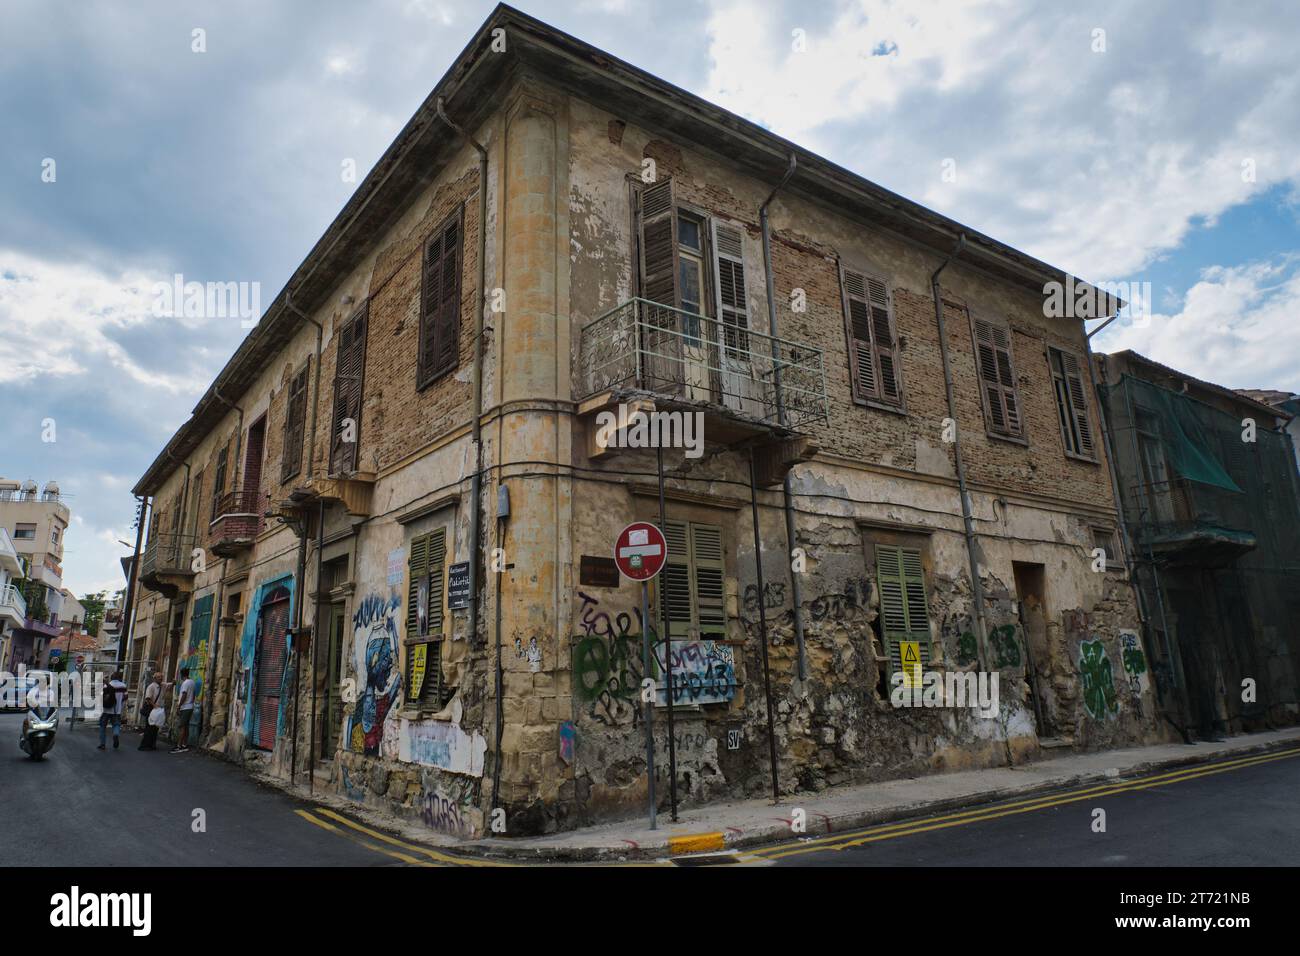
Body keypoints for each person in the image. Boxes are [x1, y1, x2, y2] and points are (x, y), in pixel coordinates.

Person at [97, 671, 128, 750]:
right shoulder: (123, 686)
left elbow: (101, 697)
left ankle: (102, 744)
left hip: (106, 710)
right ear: (119, 678)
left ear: (111, 678)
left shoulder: (106, 686)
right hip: (116, 710)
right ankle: (115, 734)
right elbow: (125, 697)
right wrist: (118, 703)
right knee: (116, 724)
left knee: (102, 726)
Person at [171, 668, 196, 754]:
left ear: (181, 675)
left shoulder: (185, 683)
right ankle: (185, 744)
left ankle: (179, 745)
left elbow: (184, 694)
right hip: (190, 706)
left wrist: (179, 706)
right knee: (186, 726)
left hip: (185, 707)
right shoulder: (192, 682)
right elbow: (193, 695)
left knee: (182, 726)